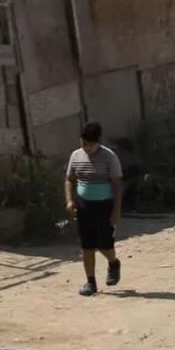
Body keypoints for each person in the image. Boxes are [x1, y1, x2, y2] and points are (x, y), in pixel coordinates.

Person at [64, 121, 122, 296]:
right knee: (87, 246)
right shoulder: (76, 155)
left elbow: (118, 185)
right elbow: (69, 179)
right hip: (84, 206)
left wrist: (116, 211)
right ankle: (91, 282)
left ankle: (113, 263)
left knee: (104, 245)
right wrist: (69, 200)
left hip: (104, 206)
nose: (87, 148)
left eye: (90, 144)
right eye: (84, 144)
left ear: (98, 142)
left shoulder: (109, 157)